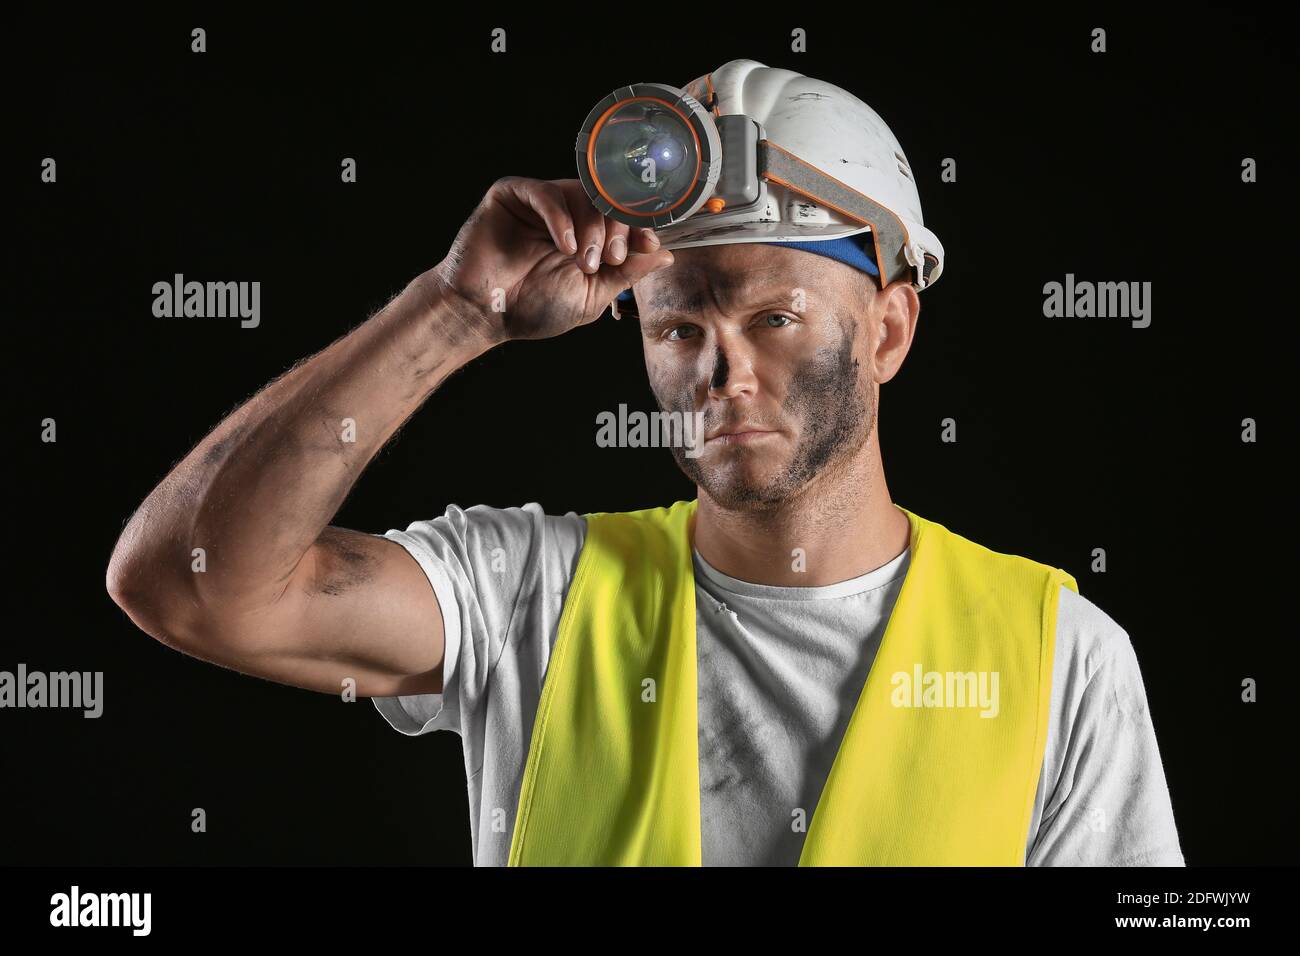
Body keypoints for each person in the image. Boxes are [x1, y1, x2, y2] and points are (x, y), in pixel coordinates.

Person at [106, 60, 1183, 867]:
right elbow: (191, 584)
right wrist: (457, 309)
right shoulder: (530, 595)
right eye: (677, 327)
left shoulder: (1059, 659)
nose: (724, 369)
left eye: (776, 316)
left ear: (890, 331)